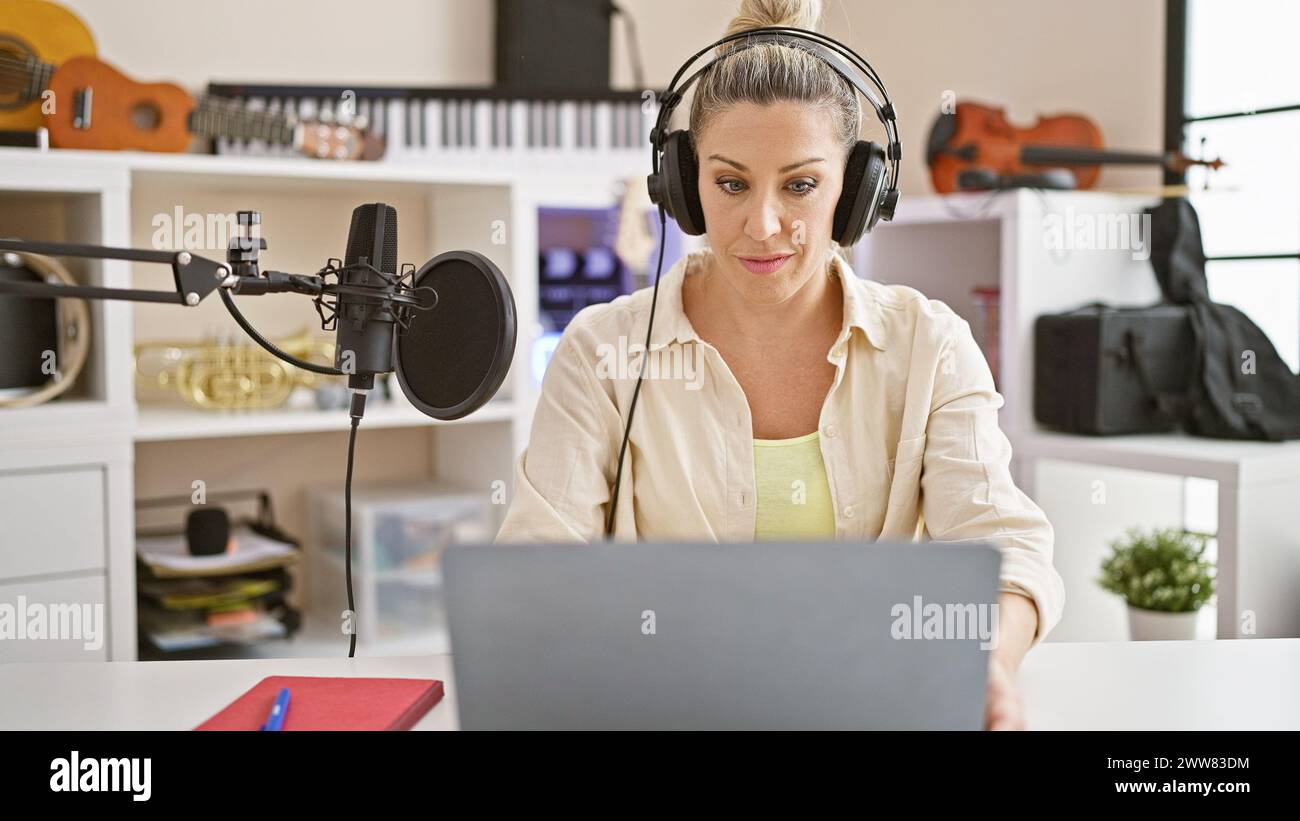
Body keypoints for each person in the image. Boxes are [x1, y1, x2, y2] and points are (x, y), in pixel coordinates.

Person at [496, 0, 1064, 730]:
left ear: (856, 191)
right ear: (684, 186)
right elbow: (538, 567)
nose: (762, 226)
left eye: (800, 185)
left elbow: (1005, 545)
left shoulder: (931, 346)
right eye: (731, 184)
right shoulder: (602, 352)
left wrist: (988, 660)